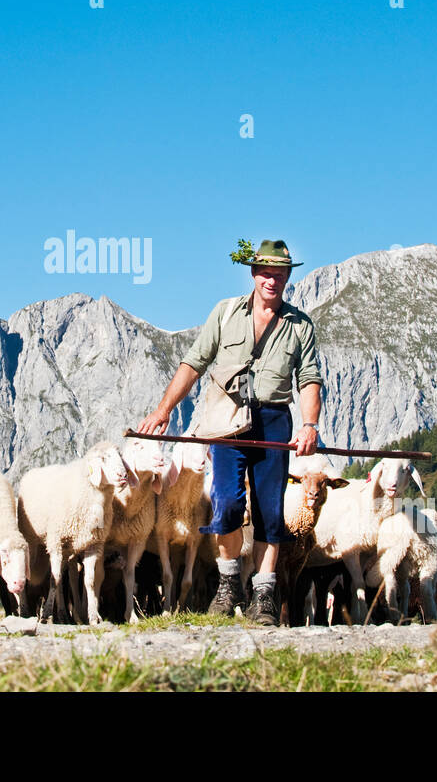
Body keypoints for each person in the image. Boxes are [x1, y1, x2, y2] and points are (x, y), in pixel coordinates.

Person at [136, 239, 323, 625]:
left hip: (274, 421)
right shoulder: (225, 313)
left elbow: (308, 379)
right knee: (227, 503)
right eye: (266, 273)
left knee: (271, 511)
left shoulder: (300, 325)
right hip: (226, 418)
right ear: (254, 274)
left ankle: (265, 595)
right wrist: (164, 409)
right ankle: (228, 584)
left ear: (288, 276)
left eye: (280, 274)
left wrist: (309, 425)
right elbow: (194, 362)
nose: (272, 280)